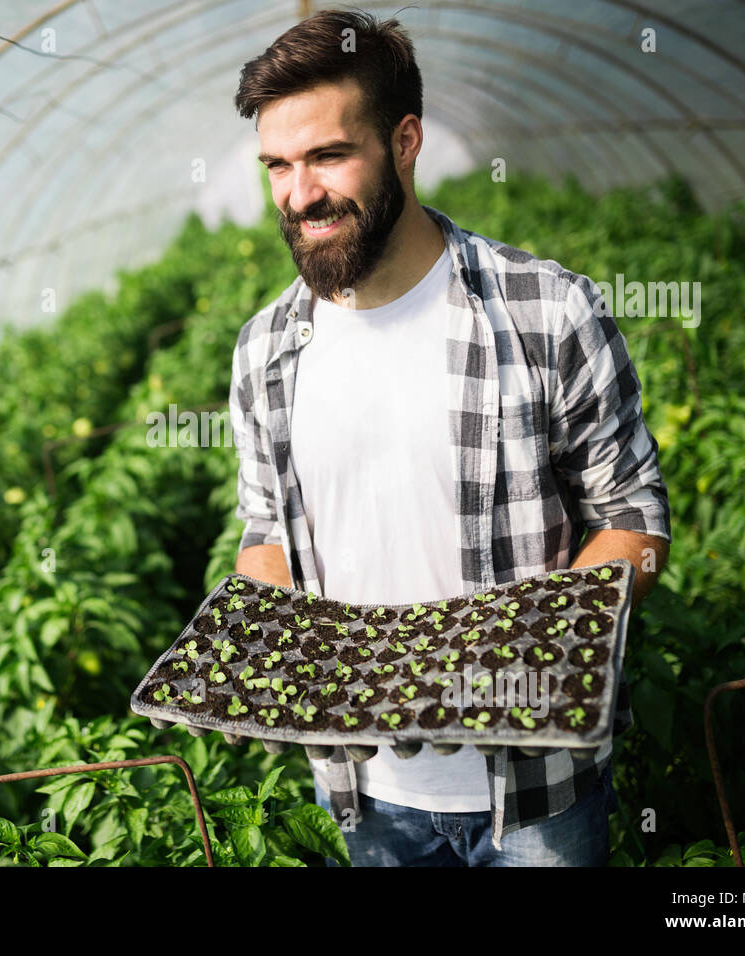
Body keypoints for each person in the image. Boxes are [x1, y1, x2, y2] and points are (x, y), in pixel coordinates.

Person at [228, 9, 671, 866]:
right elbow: (263, 535)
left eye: (327, 156)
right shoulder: (265, 351)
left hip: (536, 789)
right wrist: (285, 636)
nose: (299, 194)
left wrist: (498, 654)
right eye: (277, 165)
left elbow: (634, 521)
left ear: (405, 140)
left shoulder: (548, 312)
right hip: (362, 795)